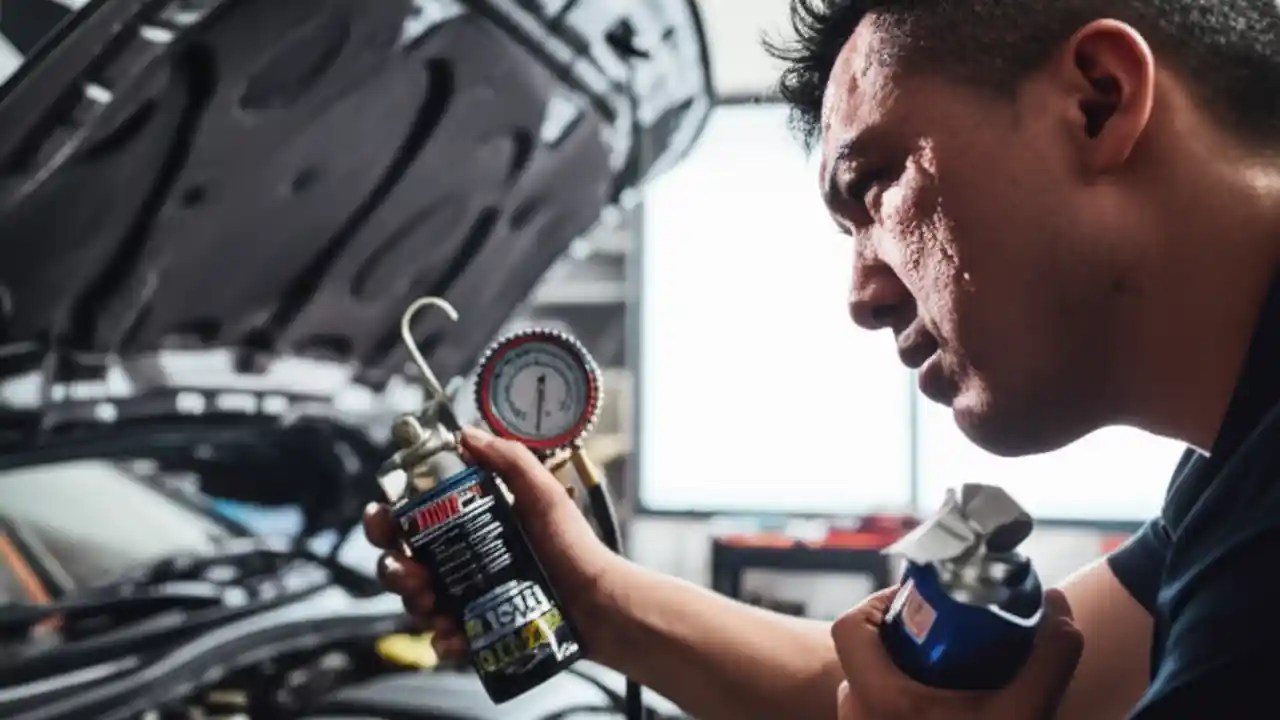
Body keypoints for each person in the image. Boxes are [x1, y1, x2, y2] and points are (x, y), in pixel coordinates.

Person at [363, 0, 1280, 717]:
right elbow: (895, 697)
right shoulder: (1227, 486)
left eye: (876, 186)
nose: (863, 296)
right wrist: (591, 598)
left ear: (1097, 101)